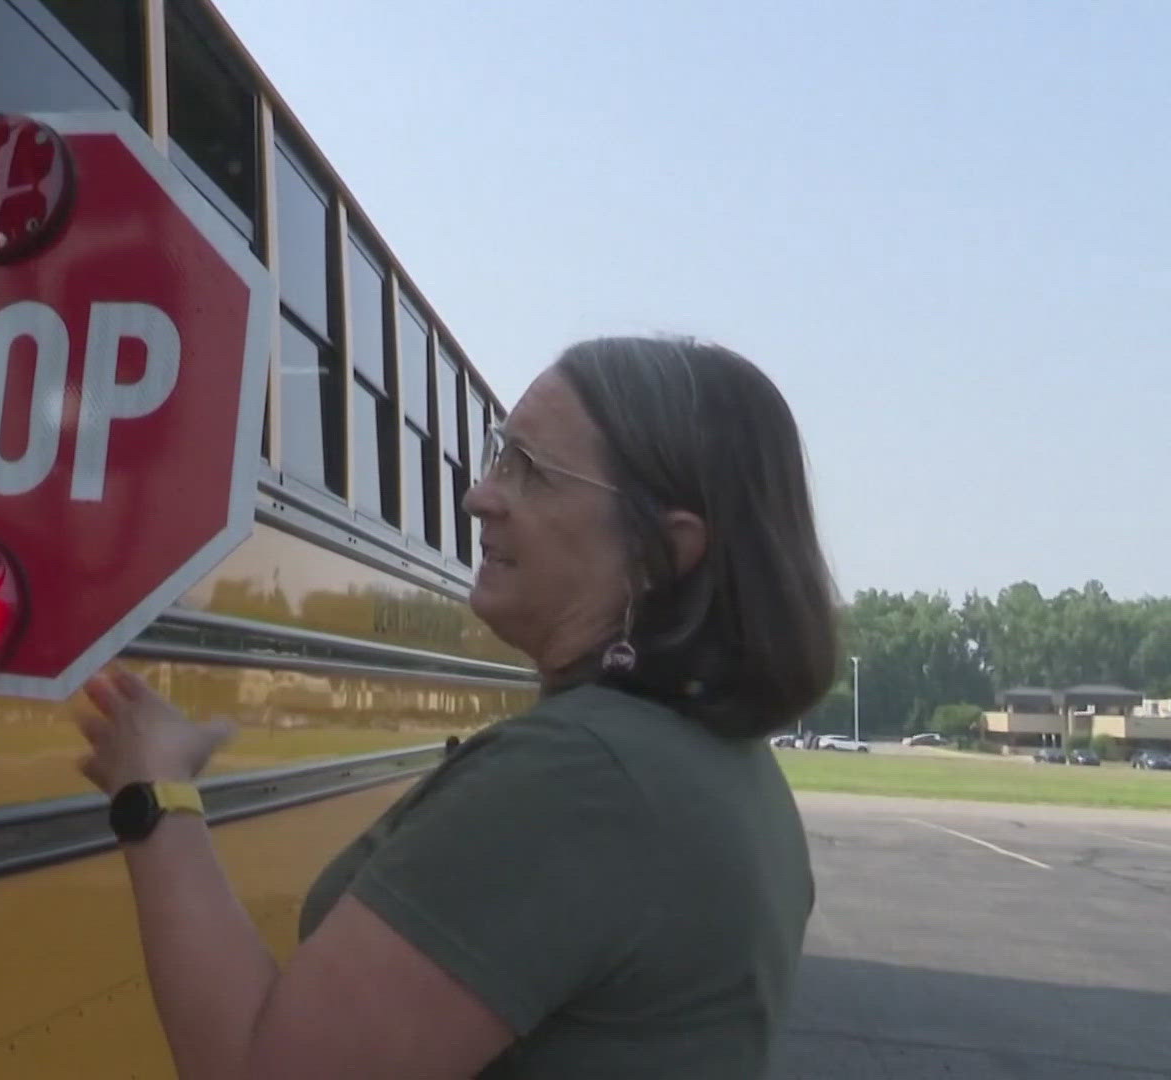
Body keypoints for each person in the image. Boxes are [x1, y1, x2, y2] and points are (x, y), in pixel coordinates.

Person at [75, 336, 838, 1079]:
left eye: (533, 473)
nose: (479, 495)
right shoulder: (721, 764)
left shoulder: (582, 780)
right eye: (500, 453)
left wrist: (155, 793)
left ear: (665, 551)